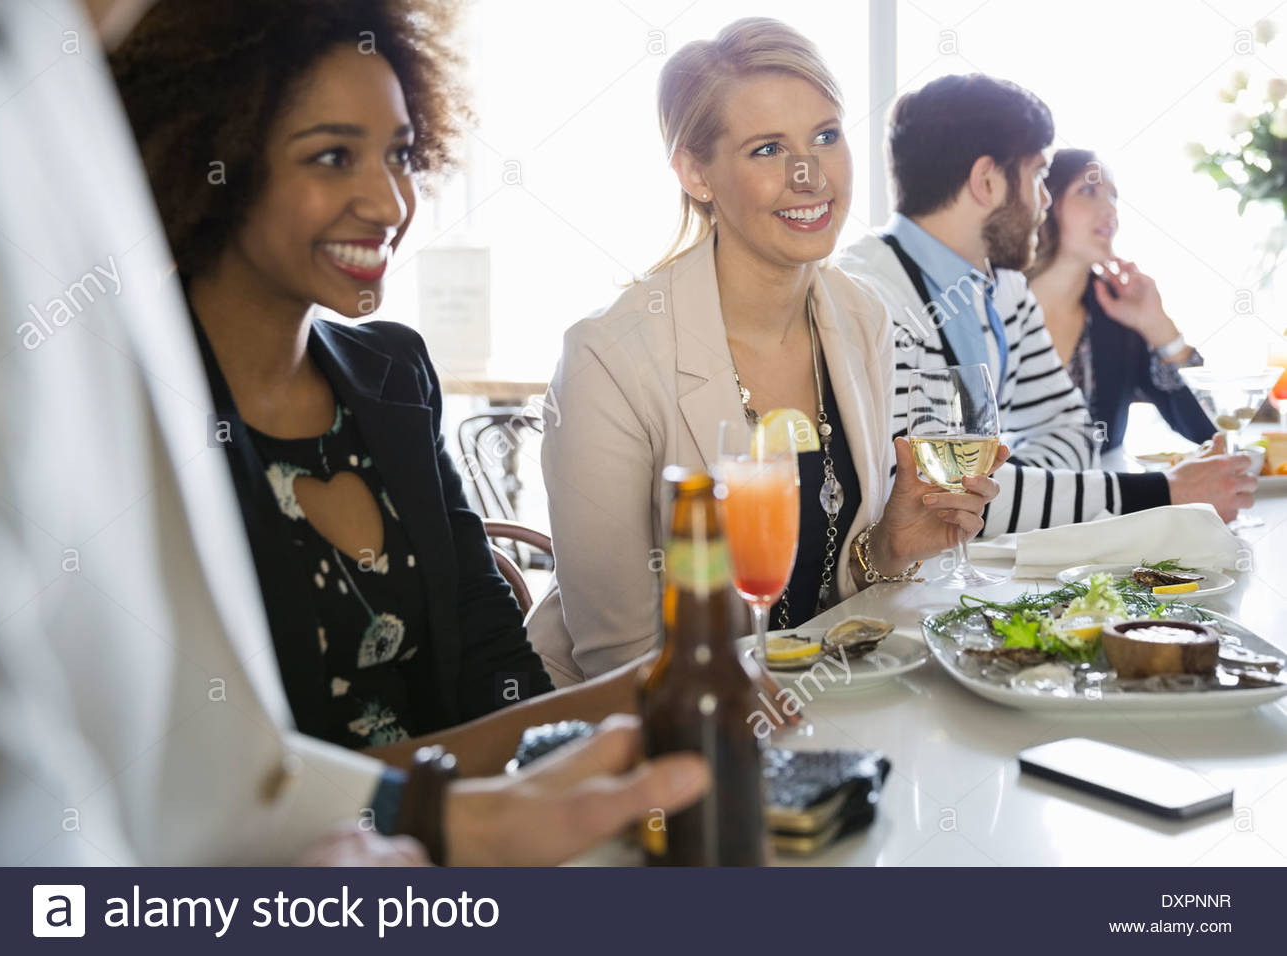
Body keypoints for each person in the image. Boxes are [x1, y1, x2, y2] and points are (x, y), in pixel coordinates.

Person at [0, 0, 708, 867]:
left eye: (400, 155)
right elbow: (242, 787)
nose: (388, 199)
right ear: (216, 156)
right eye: (333, 157)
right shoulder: (132, 404)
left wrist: (635, 706)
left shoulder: (392, 374)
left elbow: (493, 672)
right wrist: (624, 700)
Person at [528, 19, 1007, 686]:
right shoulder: (609, 359)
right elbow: (622, 658)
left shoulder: (862, 315)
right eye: (766, 150)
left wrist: (887, 549)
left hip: (814, 706)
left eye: (825, 137)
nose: (808, 175)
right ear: (696, 172)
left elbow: (829, 597)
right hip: (641, 739)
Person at [837, 74, 1253, 533]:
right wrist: (1163, 493)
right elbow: (926, 499)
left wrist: (1000, 490)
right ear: (986, 181)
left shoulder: (1005, 287)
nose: (1044, 198)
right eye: (1037, 174)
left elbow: (1069, 433)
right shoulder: (872, 298)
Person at [1025, 149, 1213, 452]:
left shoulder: (1116, 314)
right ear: (1042, 200)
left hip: (1106, 499)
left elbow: (1208, 430)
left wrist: (1159, 327)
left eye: (1113, 197)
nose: (1110, 211)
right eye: (1088, 191)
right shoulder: (992, 302)